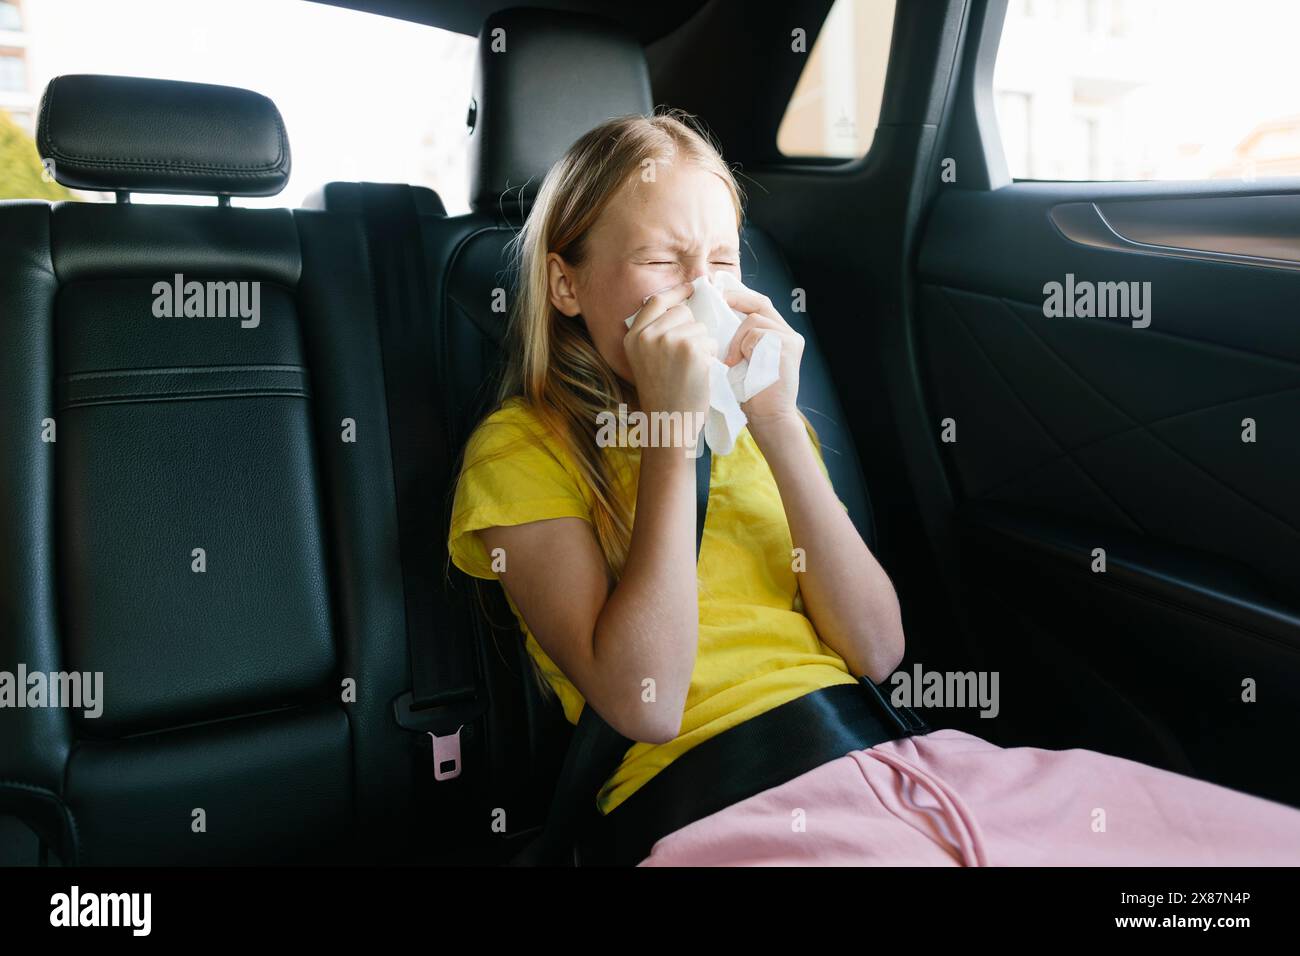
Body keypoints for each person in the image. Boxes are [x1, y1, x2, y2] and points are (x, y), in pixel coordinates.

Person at [447, 107, 1300, 866]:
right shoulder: (521, 451)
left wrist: (779, 421)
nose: (704, 292)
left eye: (718, 260)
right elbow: (649, 701)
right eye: (662, 263)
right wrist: (670, 436)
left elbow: (877, 649)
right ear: (566, 283)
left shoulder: (754, 426)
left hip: (903, 759)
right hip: (725, 799)